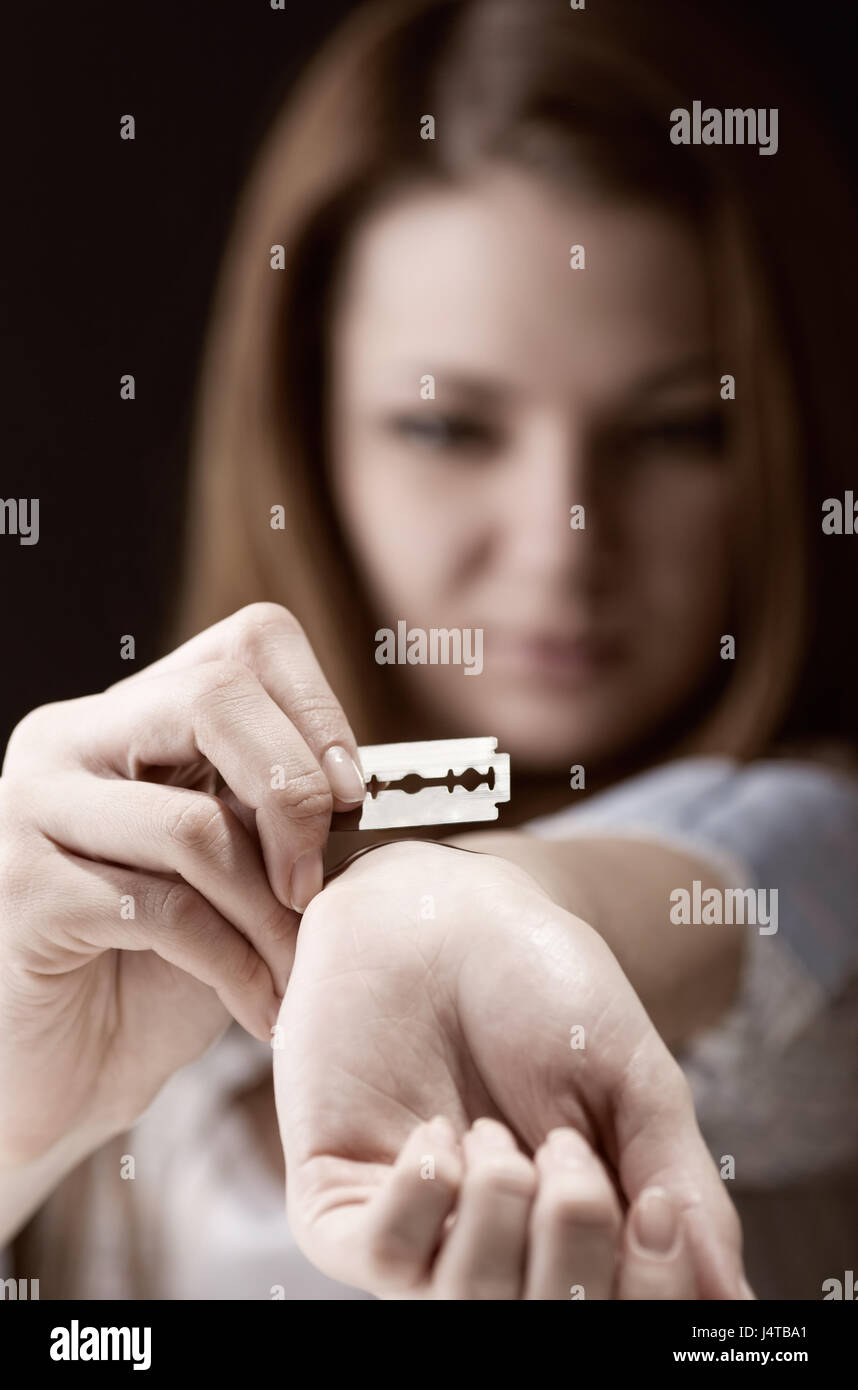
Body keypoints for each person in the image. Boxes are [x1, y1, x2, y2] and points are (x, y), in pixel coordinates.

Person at [2, 0, 856, 1300]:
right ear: (304, 428)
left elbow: (770, 870)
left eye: (678, 430)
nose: (561, 543)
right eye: (450, 428)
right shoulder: (126, 960)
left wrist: (478, 901)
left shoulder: (818, 855)